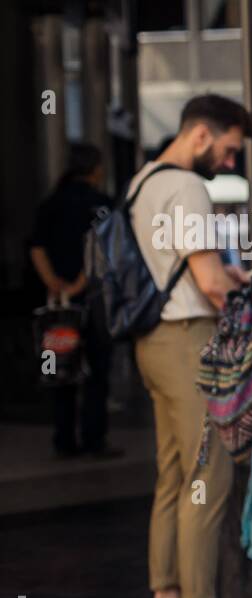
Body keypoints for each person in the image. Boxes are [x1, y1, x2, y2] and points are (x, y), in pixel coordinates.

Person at [131, 95, 252, 598]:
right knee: (205, 474)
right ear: (201, 135)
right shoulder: (188, 187)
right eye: (230, 148)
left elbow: (183, 266)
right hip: (189, 340)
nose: (231, 160)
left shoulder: (143, 181)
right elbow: (210, 283)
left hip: (153, 343)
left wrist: (223, 275)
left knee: (172, 475)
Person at [29, 142, 116, 459]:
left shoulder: (50, 203)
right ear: (95, 168)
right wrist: (81, 282)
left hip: (57, 303)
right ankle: (94, 438)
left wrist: (54, 283)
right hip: (92, 300)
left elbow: (36, 247)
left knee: (60, 367)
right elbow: (104, 248)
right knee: (96, 369)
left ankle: (64, 439)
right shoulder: (101, 204)